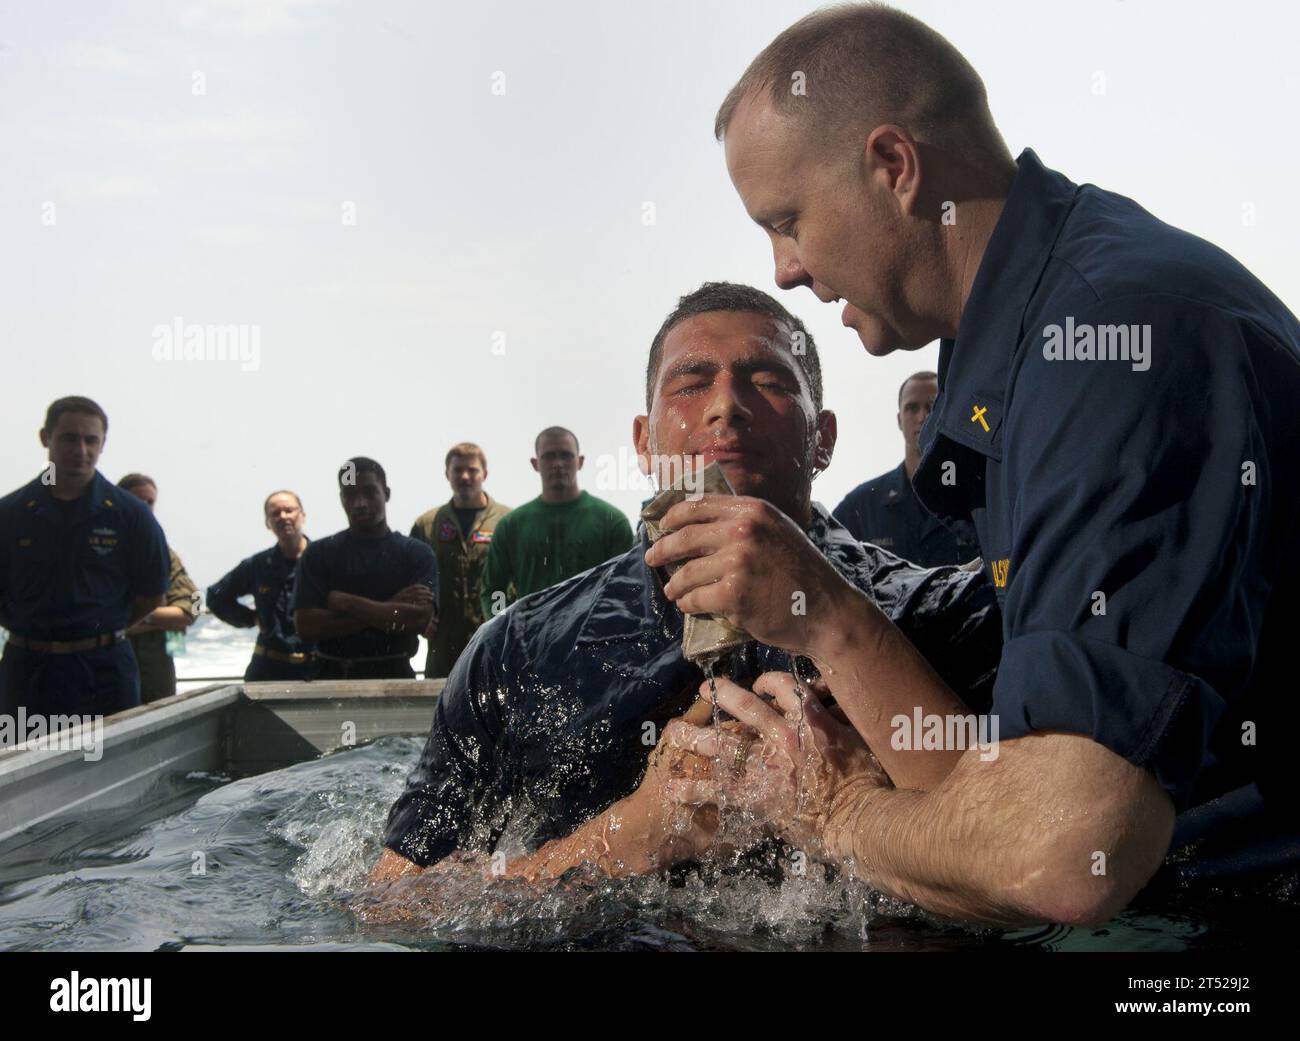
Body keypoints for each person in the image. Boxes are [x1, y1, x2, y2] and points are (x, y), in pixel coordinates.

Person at [653, 2, 1300, 927]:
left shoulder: (1105, 350)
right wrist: (834, 618)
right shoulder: (1029, 334)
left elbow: (1070, 851)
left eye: (788, 220)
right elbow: (1012, 781)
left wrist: (833, 809)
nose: (784, 269)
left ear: (893, 167)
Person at [371, 283, 1002, 883]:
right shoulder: (518, 652)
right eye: (692, 384)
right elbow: (395, 900)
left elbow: (1029, 849)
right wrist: (630, 835)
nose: (727, 405)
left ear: (824, 439)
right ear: (643, 443)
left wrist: (861, 799)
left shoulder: (944, 615)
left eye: (769, 380)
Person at [0, 397, 168, 717]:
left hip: (104, 673)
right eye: (69, 438)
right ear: (45, 437)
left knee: (110, 766)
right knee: (23, 765)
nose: (81, 450)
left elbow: (151, 596)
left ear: (103, 444)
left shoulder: (131, 515)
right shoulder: (10, 514)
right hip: (27, 671)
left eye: (91, 440)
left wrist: (99, 630)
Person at [292, 458, 437, 680]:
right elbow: (306, 625)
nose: (360, 502)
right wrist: (390, 607)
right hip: (331, 677)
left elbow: (418, 619)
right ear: (341, 499)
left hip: (395, 675)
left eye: (369, 492)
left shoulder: (416, 553)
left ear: (386, 493)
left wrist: (347, 603)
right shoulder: (318, 554)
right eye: (350, 494)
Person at [478, 428, 633, 618]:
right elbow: (495, 590)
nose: (558, 464)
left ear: (580, 461)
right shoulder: (511, 526)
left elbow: (628, 587)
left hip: (594, 640)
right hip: (532, 643)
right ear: (535, 464)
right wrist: (502, 628)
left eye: (566, 456)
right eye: (549, 456)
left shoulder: (611, 521)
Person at [833, 371, 977, 566]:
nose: (923, 416)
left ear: (948, 414)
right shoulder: (861, 506)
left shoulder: (977, 500)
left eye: (932, 406)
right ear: (899, 420)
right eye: (912, 408)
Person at [409, 443, 511, 679]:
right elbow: (411, 580)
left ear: (484, 474)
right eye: (458, 470)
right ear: (447, 474)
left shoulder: (507, 522)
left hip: (495, 638)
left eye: (472, 470)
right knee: (442, 705)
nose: (465, 477)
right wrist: (420, 620)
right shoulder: (427, 524)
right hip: (444, 642)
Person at [207, 490, 315, 681]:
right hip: (269, 667)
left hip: (316, 668)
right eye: (275, 513)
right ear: (268, 523)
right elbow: (215, 596)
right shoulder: (257, 565)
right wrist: (250, 618)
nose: (283, 517)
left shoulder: (323, 561)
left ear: (303, 515)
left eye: (289, 510)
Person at [118, 474, 198, 702]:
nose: (144, 508)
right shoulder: (100, 547)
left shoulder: (160, 551)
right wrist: (158, 616)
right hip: (108, 672)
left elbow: (192, 606)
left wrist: (140, 620)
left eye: (149, 502)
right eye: (137, 501)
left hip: (154, 675)